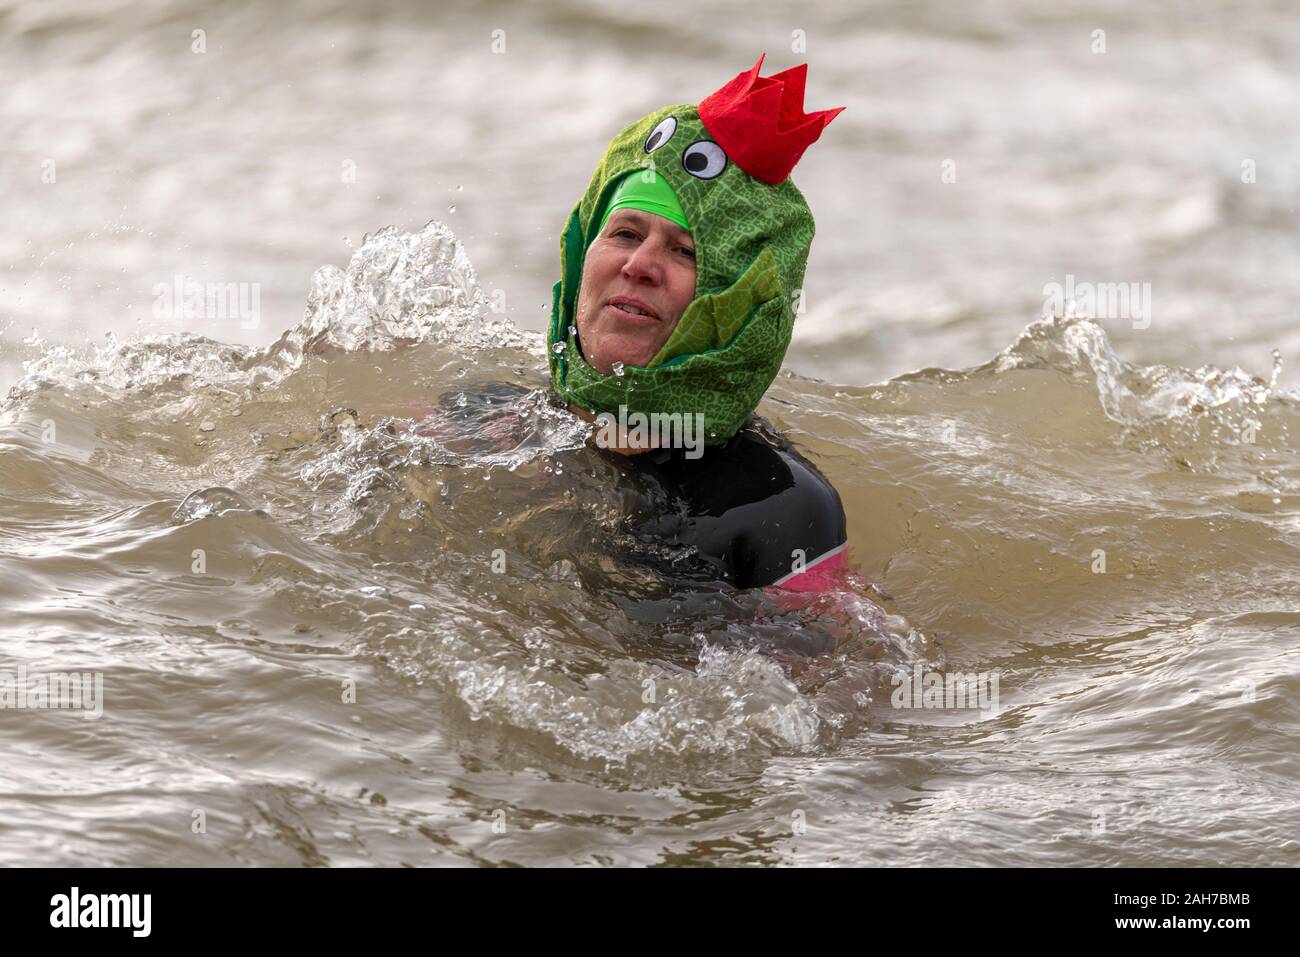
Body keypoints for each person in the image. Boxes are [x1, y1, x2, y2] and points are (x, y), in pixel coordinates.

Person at [546, 53, 849, 593]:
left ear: (734, 300)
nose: (638, 266)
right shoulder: (487, 421)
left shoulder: (777, 508)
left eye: (685, 252)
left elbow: (830, 668)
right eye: (624, 234)